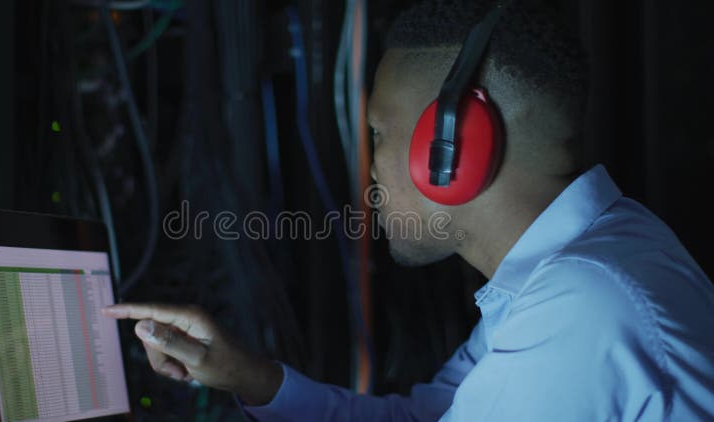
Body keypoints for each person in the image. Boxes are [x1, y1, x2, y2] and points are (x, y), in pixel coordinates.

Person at [102, 0, 714, 420]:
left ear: (453, 147)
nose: (369, 168)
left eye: (380, 134)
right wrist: (247, 376)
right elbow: (426, 417)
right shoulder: (575, 268)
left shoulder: (582, 307)